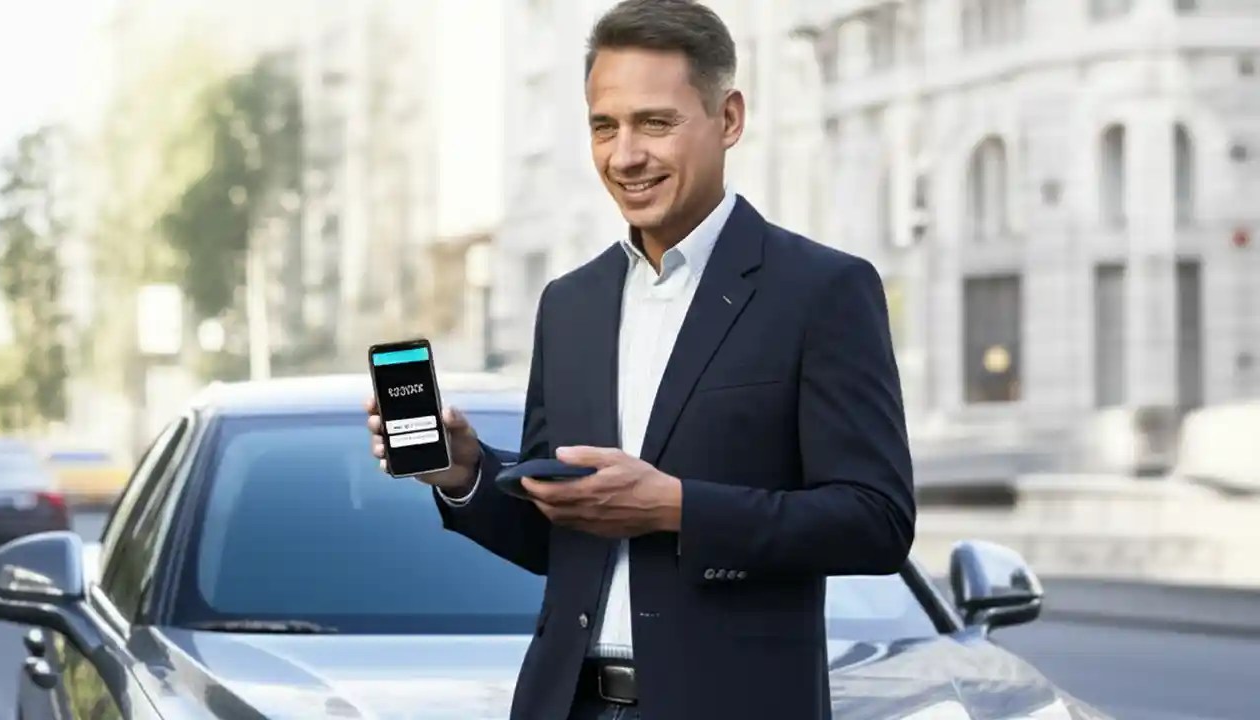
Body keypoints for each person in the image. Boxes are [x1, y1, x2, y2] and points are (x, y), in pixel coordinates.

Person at [366, 1, 915, 717]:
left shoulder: (822, 291)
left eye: (655, 123)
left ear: (730, 118)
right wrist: (469, 472)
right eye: (605, 126)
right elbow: (557, 539)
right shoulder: (570, 305)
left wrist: (677, 508)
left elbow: (876, 520)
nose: (625, 155)